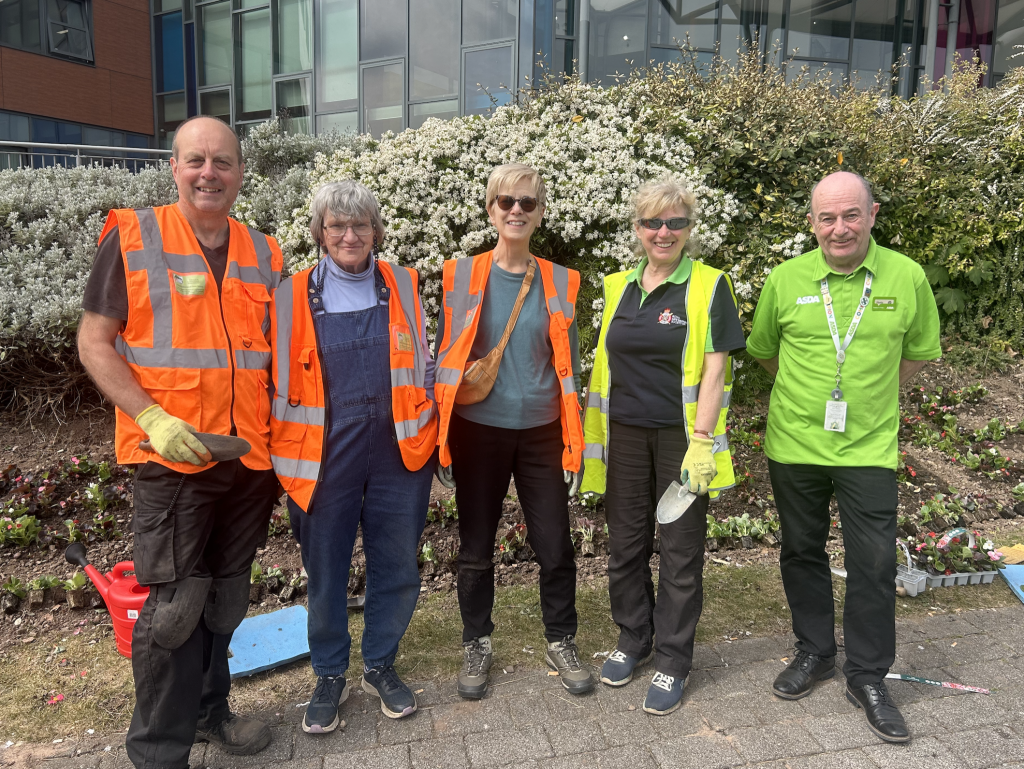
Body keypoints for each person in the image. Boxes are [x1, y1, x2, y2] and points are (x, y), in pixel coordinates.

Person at [77, 115, 283, 768]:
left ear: (241, 173)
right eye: (195, 160)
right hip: (171, 461)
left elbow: (282, 358)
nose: (208, 173)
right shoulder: (134, 237)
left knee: (224, 598)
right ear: (173, 168)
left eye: (223, 162)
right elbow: (93, 341)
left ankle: (209, 714)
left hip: (248, 460)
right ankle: (158, 752)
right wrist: (154, 418)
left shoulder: (264, 252)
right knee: (173, 609)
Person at [747, 170, 941, 744]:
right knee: (801, 551)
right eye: (827, 217)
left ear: (873, 214)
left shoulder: (906, 277)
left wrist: (873, 399)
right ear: (812, 223)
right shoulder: (785, 280)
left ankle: (867, 676)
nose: (839, 228)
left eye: (850, 215)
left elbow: (917, 355)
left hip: (869, 449)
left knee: (875, 562)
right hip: (794, 445)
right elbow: (764, 354)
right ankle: (815, 652)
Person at [269, 180, 437, 729]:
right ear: (319, 232)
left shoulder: (404, 284)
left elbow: (425, 364)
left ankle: (381, 665)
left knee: (395, 566)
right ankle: (330, 673)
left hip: (398, 451)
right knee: (325, 570)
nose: (348, 235)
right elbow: (271, 379)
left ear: (375, 231)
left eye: (359, 224)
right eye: (336, 225)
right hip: (321, 455)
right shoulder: (290, 294)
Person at [581, 178, 745, 715]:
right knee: (625, 546)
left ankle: (673, 660)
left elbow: (717, 372)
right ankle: (634, 639)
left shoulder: (709, 285)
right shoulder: (616, 287)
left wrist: (703, 442)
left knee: (678, 554)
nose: (664, 232)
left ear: (689, 230)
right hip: (623, 434)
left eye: (675, 222)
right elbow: (606, 365)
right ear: (637, 229)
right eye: (653, 222)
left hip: (682, 438)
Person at [433, 163, 593, 699]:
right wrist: (442, 440)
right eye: (506, 201)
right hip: (478, 432)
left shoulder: (563, 281)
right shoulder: (458, 276)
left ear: (541, 212)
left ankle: (561, 637)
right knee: (476, 546)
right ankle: (476, 642)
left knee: (555, 545)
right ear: (490, 210)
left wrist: (575, 444)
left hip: (543, 433)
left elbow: (568, 367)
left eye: (527, 202)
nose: (516, 210)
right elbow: (444, 363)